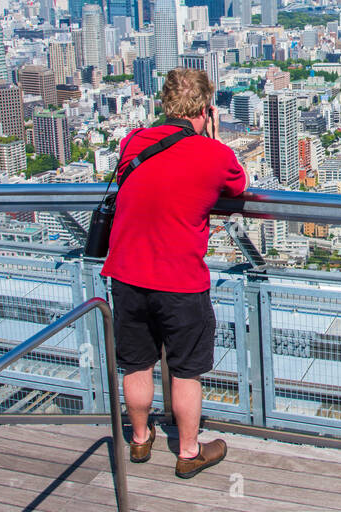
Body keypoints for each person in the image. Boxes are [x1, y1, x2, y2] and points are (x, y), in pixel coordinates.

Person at [101, 68, 247, 476]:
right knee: (185, 371)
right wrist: (212, 139)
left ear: (165, 104)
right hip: (180, 278)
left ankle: (140, 439)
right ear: (205, 110)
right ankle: (187, 452)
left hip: (126, 273)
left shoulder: (132, 142)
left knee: (137, 364)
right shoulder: (214, 155)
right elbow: (237, 187)